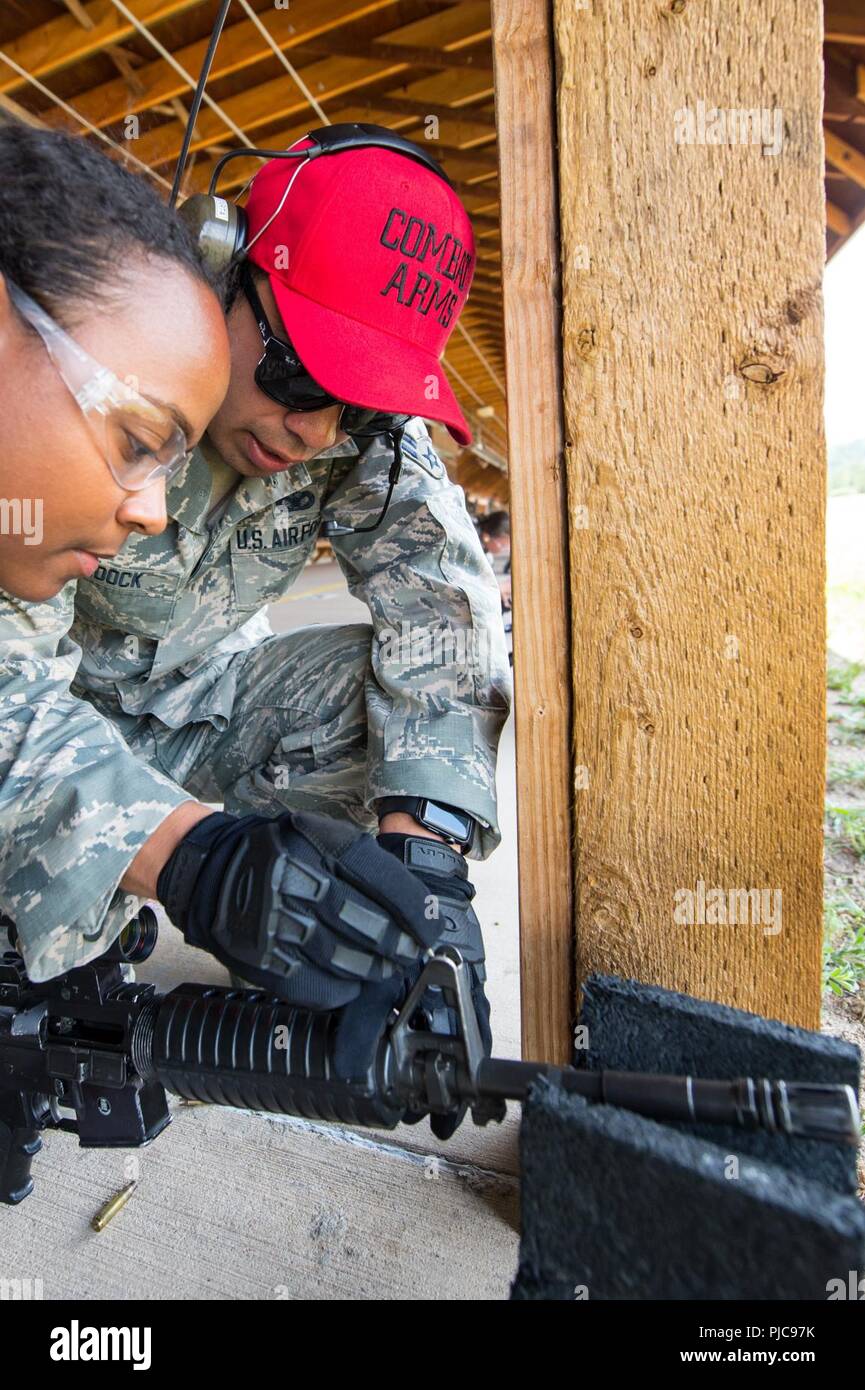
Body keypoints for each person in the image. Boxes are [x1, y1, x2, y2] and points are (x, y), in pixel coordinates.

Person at [1, 127, 511, 1085]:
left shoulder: (346, 434)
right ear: (221, 265)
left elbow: (442, 617)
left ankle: (315, 927)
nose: (316, 427)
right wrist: (190, 857)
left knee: (388, 701)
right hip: (44, 718)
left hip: (197, 718)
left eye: (356, 402)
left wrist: (428, 882)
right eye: (300, 373)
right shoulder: (65, 393)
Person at [479, 510, 512, 662]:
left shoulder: (486, 554)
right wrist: (497, 590)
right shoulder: (477, 551)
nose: (503, 549)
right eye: (504, 545)